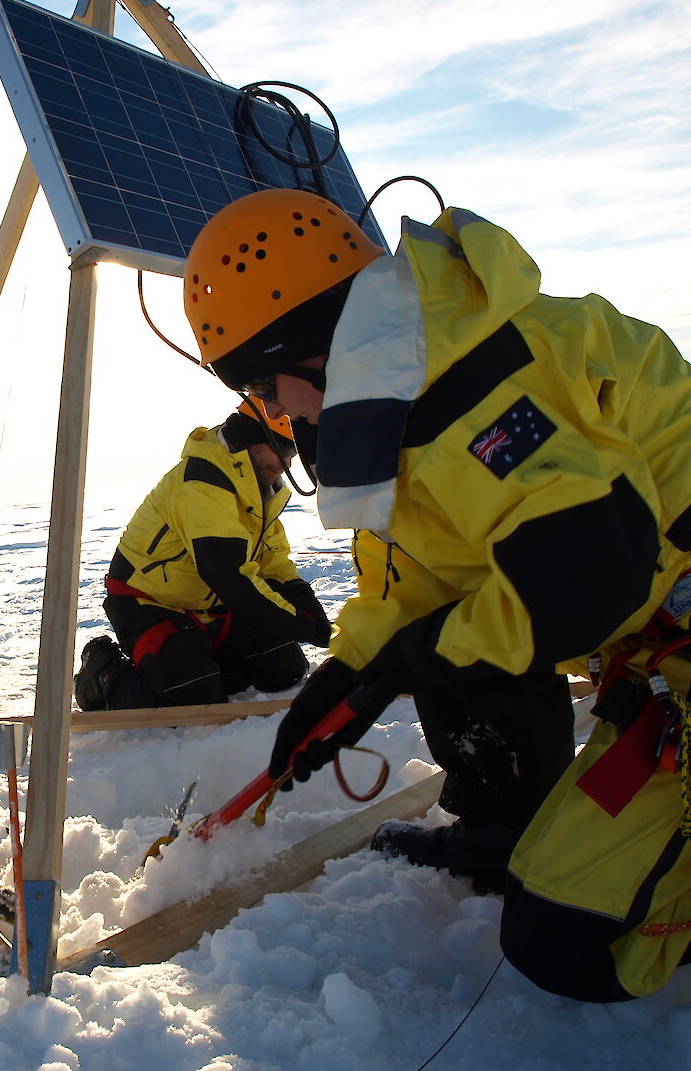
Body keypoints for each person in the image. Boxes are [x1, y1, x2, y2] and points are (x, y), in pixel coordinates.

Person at [182, 186, 691, 1003]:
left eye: (266, 390)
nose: (272, 415)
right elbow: (419, 585)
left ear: (307, 345)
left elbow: (588, 577)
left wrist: (423, 654)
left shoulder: (476, 389)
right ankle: (512, 821)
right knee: (455, 657)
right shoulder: (405, 384)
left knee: (570, 942)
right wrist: (342, 682)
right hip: (657, 650)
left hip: (658, 624)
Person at [74, 401, 330, 712]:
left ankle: (194, 661)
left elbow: (272, 561)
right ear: (251, 437)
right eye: (281, 449)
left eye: (292, 455)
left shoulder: (261, 490)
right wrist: (307, 628)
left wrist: (306, 605)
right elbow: (229, 575)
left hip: (210, 606)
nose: (285, 464)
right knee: (193, 696)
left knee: (284, 667)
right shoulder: (202, 481)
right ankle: (103, 673)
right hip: (149, 603)